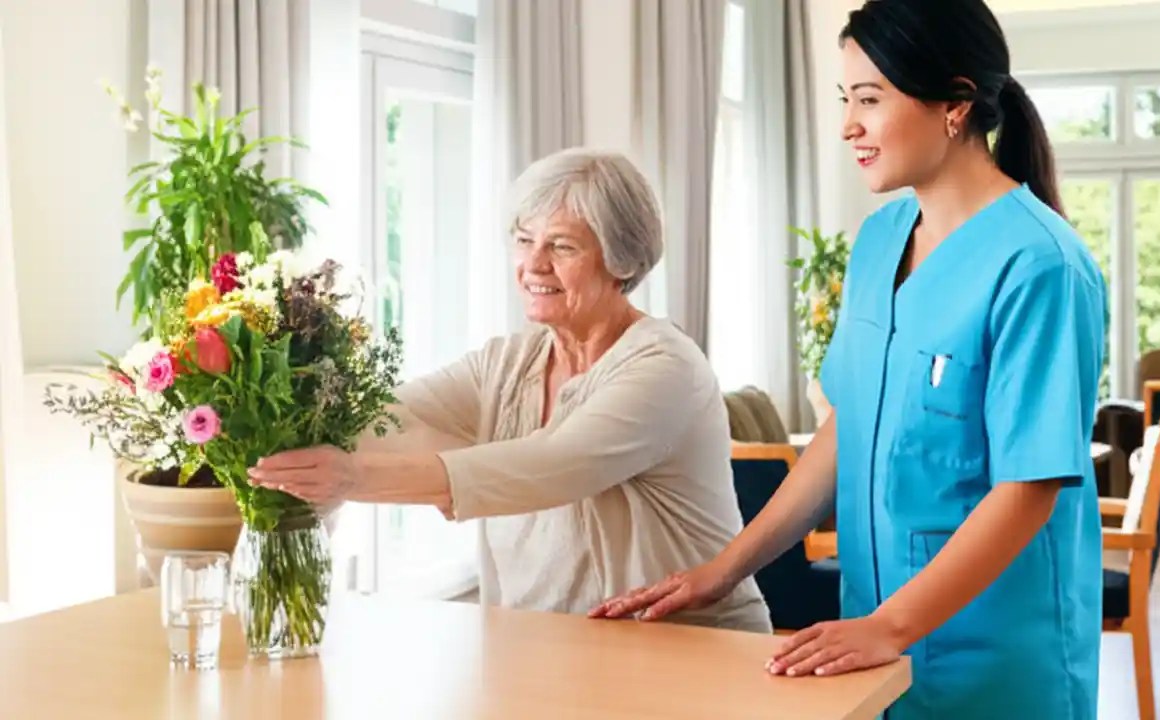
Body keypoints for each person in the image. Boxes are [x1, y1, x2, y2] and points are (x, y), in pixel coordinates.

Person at [590, 1, 1106, 718]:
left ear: (955, 105)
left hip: (994, 659)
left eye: (870, 99)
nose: (847, 126)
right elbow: (846, 431)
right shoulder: (879, 240)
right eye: (845, 99)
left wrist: (888, 628)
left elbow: (1028, 489)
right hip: (867, 642)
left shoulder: (1042, 267)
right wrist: (725, 570)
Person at [248, 147, 771, 633]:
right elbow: (387, 417)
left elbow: (550, 465)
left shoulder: (664, 366)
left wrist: (351, 477)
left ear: (624, 261)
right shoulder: (507, 363)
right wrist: (266, 422)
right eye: (524, 240)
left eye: (562, 246)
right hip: (553, 656)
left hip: (694, 652)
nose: (534, 264)